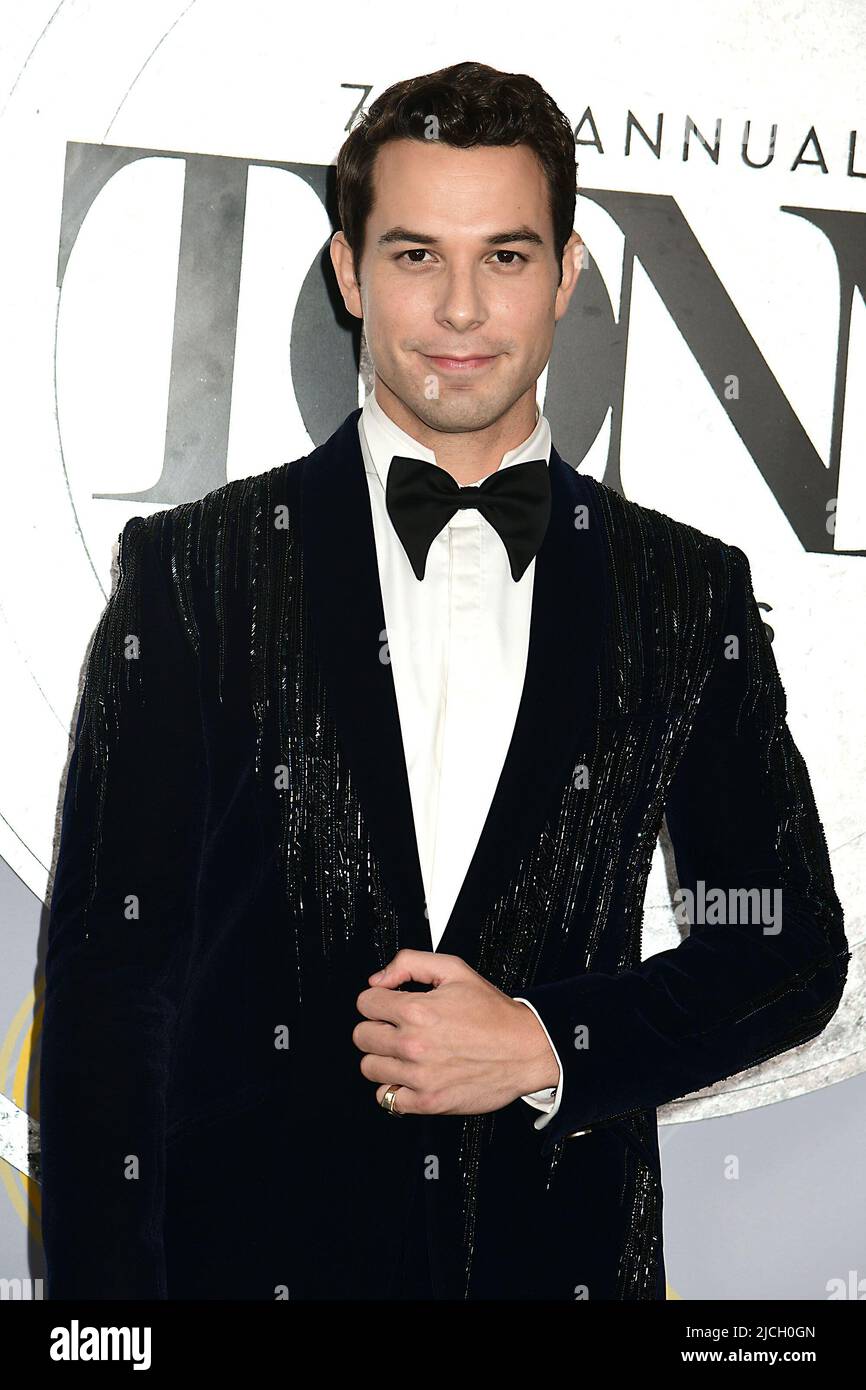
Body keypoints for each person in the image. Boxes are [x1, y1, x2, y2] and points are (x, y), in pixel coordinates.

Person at [39, 60, 849, 1301]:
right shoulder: (196, 570)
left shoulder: (684, 595)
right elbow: (112, 987)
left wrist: (546, 1039)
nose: (461, 309)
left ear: (569, 274)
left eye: (506, 257)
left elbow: (778, 939)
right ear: (349, 274)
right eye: (416, 255)